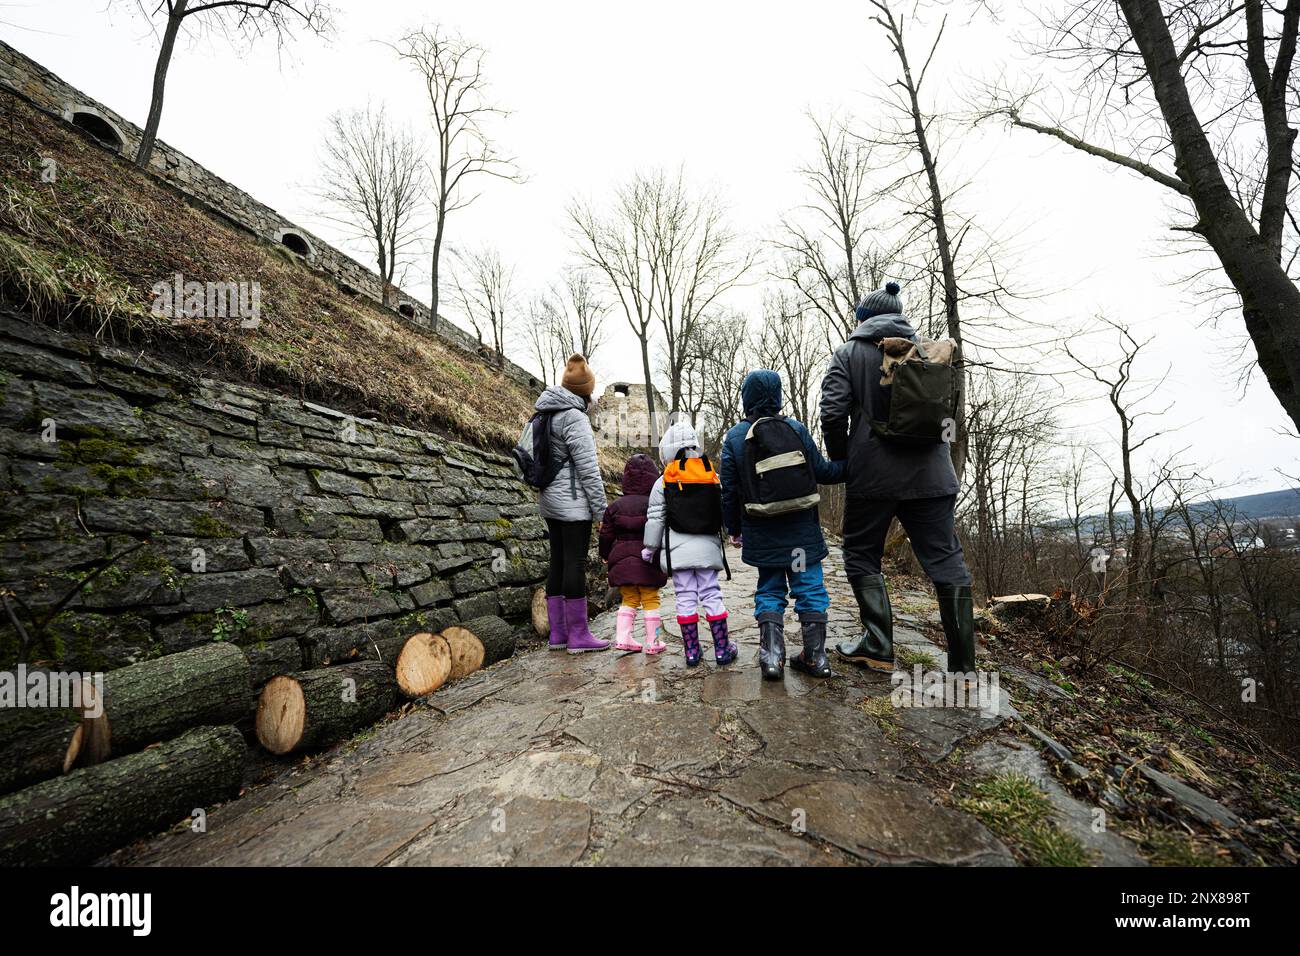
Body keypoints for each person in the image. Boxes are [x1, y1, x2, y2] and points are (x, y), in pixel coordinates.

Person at [819, 281, 976, 677]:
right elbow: (951, 416)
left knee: (860, 553)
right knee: (946, 561)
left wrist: (843, 457)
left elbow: (832, 413)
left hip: (873, 477)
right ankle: (964, 667)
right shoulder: (927, 353)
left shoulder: (849, 353)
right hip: (933, 478)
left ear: (863, 319)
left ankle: (878, 645)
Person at [720, 369, 845, 680]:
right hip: (801, 534)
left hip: (763, 532)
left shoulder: (735, 438)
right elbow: (822, 471)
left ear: (746, 399)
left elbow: (729, 492)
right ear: (777, 398)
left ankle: (772, 658)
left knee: (770, 589)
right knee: (810, 587)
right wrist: (853, 465)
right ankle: (816, 658)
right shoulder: (796, 428)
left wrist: (734, 529)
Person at [642, 421, 736, 667]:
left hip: (678, 553)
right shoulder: (711, 474)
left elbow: (655, 517)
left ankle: (692, 652)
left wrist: (650, 547)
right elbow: (724, 507)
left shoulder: (663, 480)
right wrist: (735, 532)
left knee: (685, 597)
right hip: (707, 551)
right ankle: (723, 649)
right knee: (711, 594)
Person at [534, 353, 609, 654]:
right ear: (586, 391)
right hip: (573, 504)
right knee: (574, 562)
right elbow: (589, 470)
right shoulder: (574, 417)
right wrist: (602, 511)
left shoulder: (544, 413)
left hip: (550, 501)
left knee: (558, 561)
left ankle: (558, 636)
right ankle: (579, 636)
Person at [598, 453, 669, 654]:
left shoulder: (614, 506)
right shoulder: (655, 504)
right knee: (650, 598)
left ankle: (622, 638)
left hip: (621, 558)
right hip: (648, 560)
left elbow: (605, 534)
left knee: (628, 597)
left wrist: (605, 554)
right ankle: (652, 642)